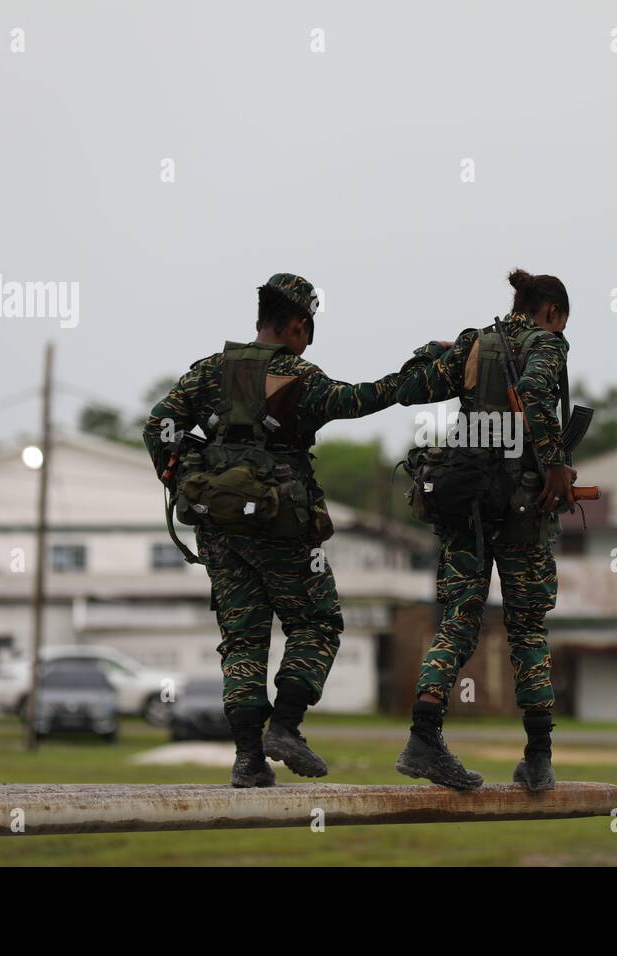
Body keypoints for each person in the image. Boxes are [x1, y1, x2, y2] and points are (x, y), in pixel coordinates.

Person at [143, 273, 418, 787]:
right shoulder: (300, 377)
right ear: (295, 324)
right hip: (285, 531)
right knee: (317, 622)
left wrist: (188, 476)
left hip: (220, 533)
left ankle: (248, 759)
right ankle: (286, 727)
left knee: (243, 641)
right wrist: (424, 371)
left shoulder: (211, 372)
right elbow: (360, 399)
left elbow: (158, 423)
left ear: (258, 321)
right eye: (307, 330)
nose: (308, 341)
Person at [394, 269, 576, 791]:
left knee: (457, 622)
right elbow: (539, 398)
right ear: (552, 313)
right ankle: (538, 758)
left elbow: (416, 385)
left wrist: (443, 354)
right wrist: (557, 465)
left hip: (465, 504)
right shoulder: (547, 343)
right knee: (527, 631)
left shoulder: (476, 342)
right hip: (522, 510)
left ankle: (423, 739)